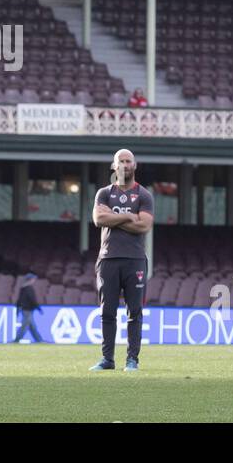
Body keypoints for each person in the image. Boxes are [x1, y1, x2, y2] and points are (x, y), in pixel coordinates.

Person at [89, 148, 154, 372]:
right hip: (108, 258)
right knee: (107, 311)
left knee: (134, 311)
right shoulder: (104, 193)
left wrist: (113, 218)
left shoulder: (144, 195)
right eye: (121, 161)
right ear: (114, 166)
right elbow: (98, 219)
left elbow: (144, 225)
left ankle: (132, 359)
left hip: (135, 259)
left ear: (134, 165)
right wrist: (127, 216)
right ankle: (107, 359)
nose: (125, 165)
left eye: (128, 161)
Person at [13, 272, 44, 343]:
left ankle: (39, 340)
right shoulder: (29, 289)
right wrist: (38, 308)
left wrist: (18, 309)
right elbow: (32, 299)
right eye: (33, 279)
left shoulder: (23, 289)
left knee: (32, 326)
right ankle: (17, 340)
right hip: (28, 310)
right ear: (30, 280)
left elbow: (19, 300)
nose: (34, 281)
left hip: (25, 309)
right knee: (24, 326)